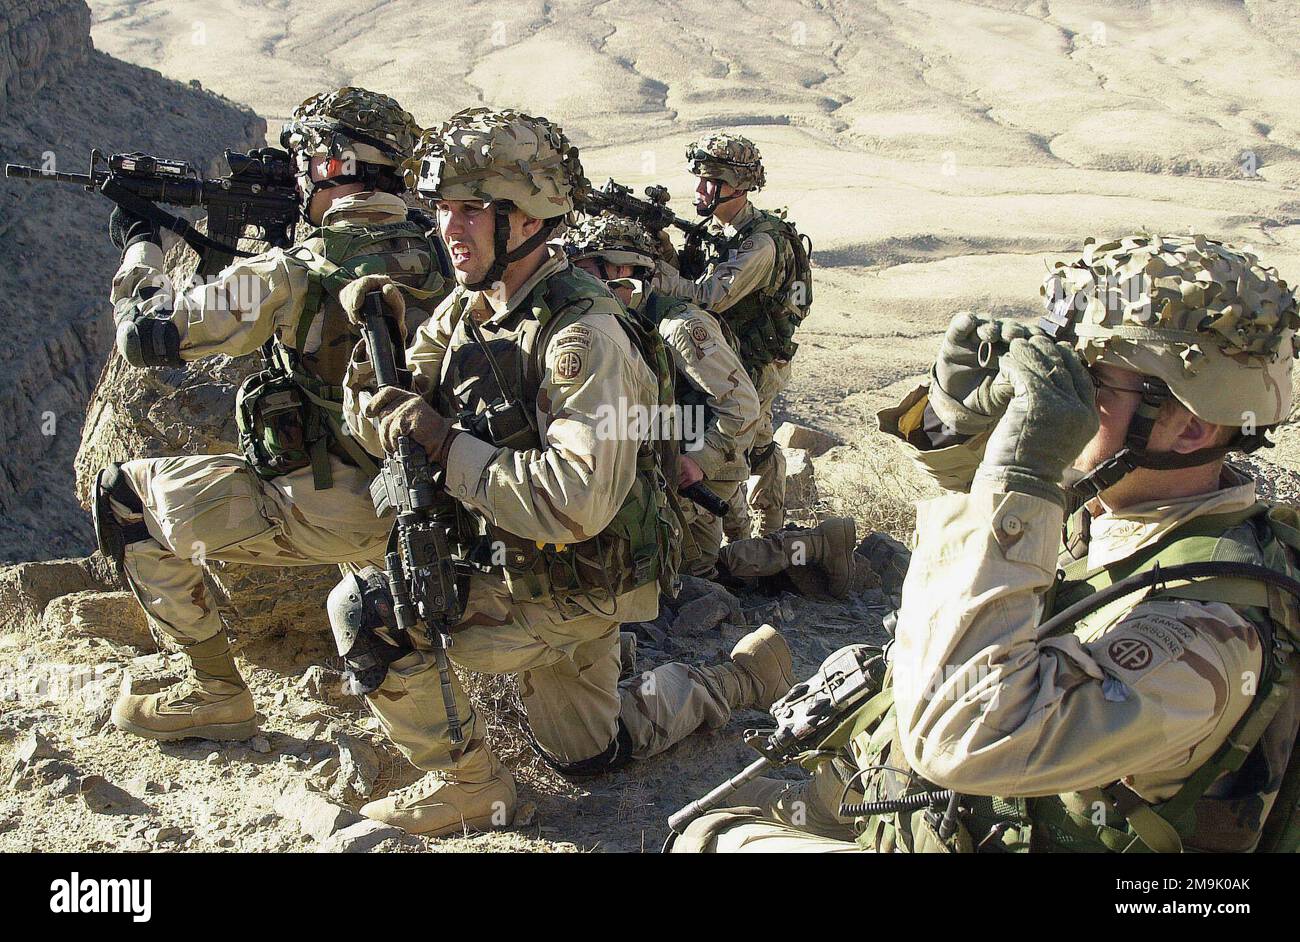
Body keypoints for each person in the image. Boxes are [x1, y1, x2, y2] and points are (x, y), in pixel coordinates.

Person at [673, 233, 1300, 853]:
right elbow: (996, 547)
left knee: (711, 837)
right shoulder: (1133, 512)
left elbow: (960, 735)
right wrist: (965, 428)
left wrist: (1021, 475)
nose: (1062, 393)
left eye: (1093, 381)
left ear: (1189, 427)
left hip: (968, 779)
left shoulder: (1209, 629)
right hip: (948, 811)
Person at [334, 107, 796, 837]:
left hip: (577, 579)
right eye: (443, 210)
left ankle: (467, 786)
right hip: (537, 565)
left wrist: (442, 444)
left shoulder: (585, 336)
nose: (449, 229)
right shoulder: (470, 309)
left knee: (373, 615)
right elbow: (380, 419)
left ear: (524, 221)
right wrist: (375, 363)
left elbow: (573, 502)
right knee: (589, 754)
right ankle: (739, 678)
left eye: (470, 212)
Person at [95, 86, 448, 745]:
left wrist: (143, 243)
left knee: (124, 496)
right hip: (458, 512)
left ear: (327, 167)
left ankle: (214, 693)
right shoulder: (464, 253)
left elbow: (146, 336)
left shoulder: (291, 272)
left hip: (348, 518)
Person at [559, 213, 759, 578]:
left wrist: (700, 461)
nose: (576, 283)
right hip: (666, 465)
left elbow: (741, 406)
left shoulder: (679, 327)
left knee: (674, 571)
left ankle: (810, 551)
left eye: (584, 271)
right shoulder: (616, 319)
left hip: (699, 474)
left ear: (620, 271)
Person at [653, 132, 809, 540]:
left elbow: (709, 296)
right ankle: (740, 537)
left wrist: (656, 274)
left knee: (750, 445)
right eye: (700, 179)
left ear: (738, 187)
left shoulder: (759, 244)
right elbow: (694, 274)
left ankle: (767, 536)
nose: (701, 189)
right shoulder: (717, 231)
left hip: (757, 361)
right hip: (728, 352)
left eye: (712, 182)